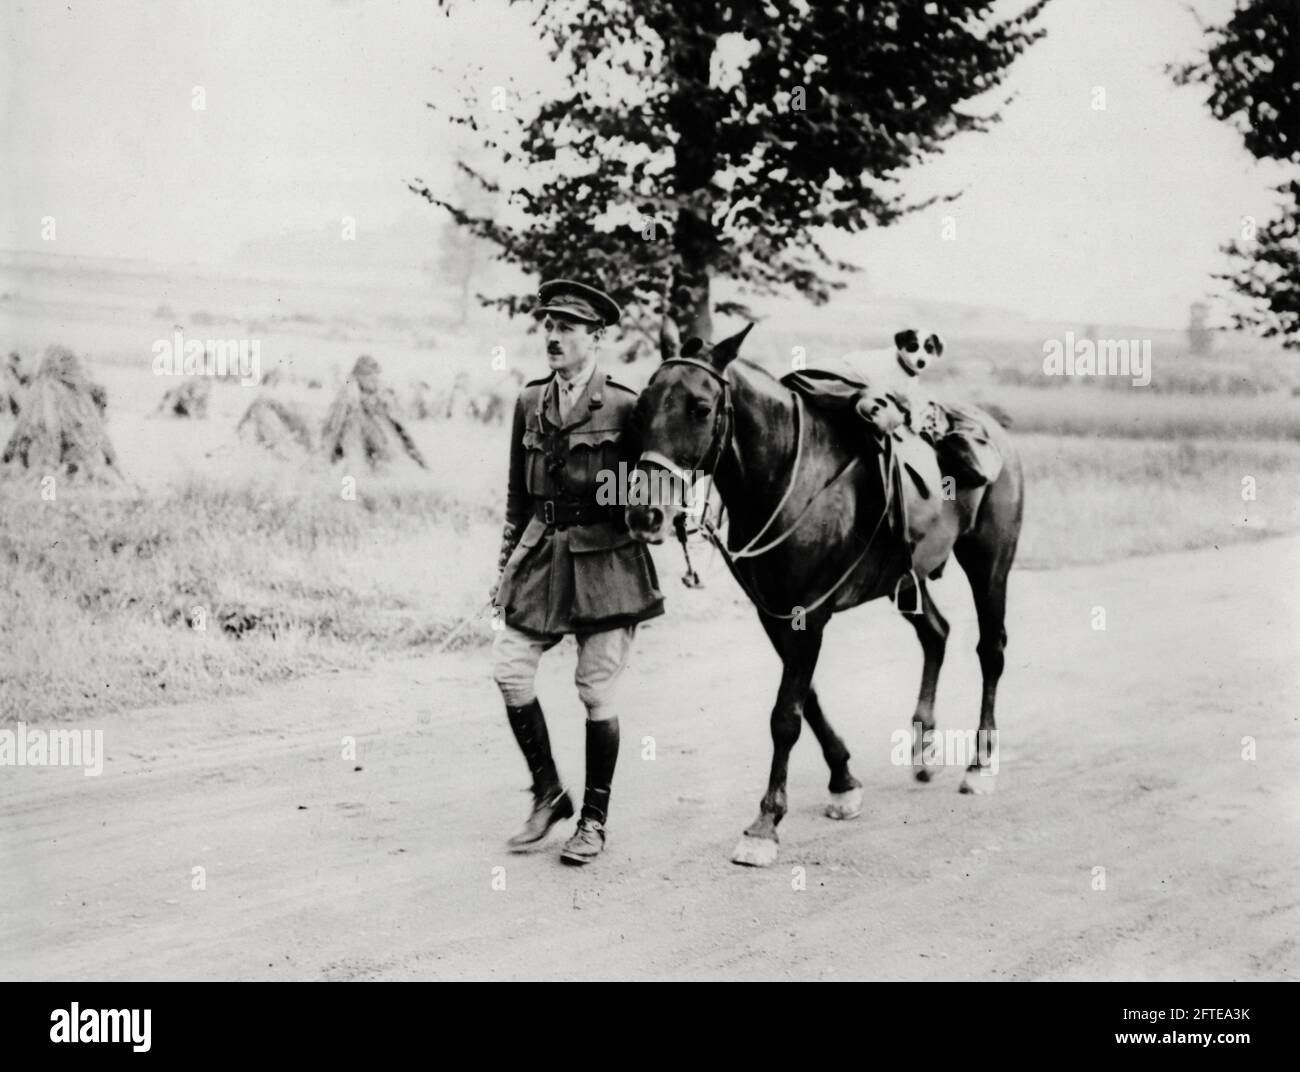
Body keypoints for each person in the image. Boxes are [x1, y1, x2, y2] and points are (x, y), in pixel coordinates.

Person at [490, 279, 665, 865]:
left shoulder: (626, 405)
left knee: (596, 691)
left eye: (567, 327)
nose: (553, 336)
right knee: (510, 669)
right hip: (543, 556)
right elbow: (519, 492)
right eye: (548, 325)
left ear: (597, 337)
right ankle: (549, 794)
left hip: (607, 560)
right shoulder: (528, 401)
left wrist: (640, 502)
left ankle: (593, 820)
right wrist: (506, 562)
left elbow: (653, 486)